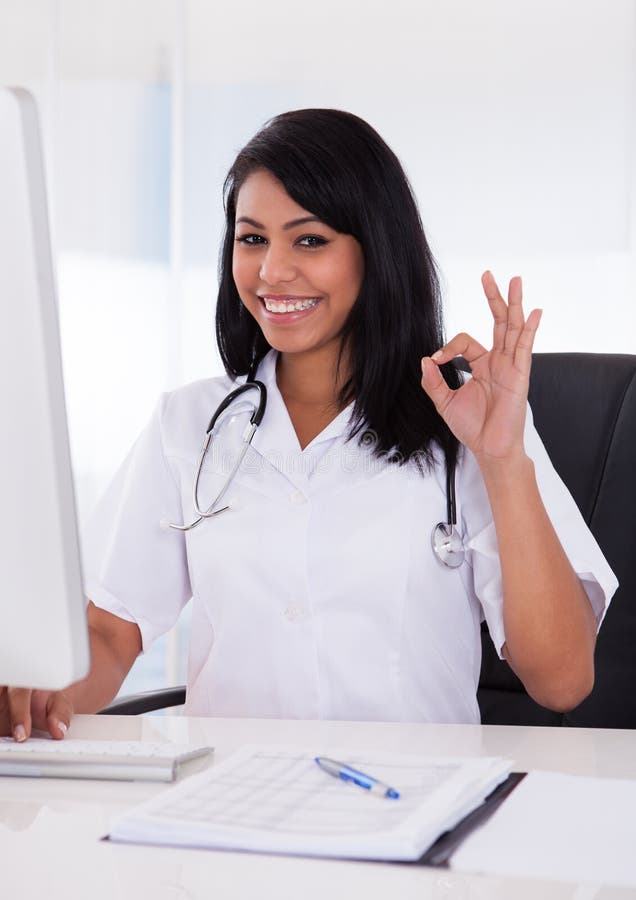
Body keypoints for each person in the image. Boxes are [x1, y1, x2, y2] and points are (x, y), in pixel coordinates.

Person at [0, 109, 617, 741]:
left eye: (309, 240)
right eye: (252, 239)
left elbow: (562, 680)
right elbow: (108, 631)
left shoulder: (470, 419)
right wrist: (40, 687)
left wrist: (503, 460)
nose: (271, 271)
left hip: (411, 804)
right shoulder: (188, 425)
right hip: (227, 804)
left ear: (374, 250)